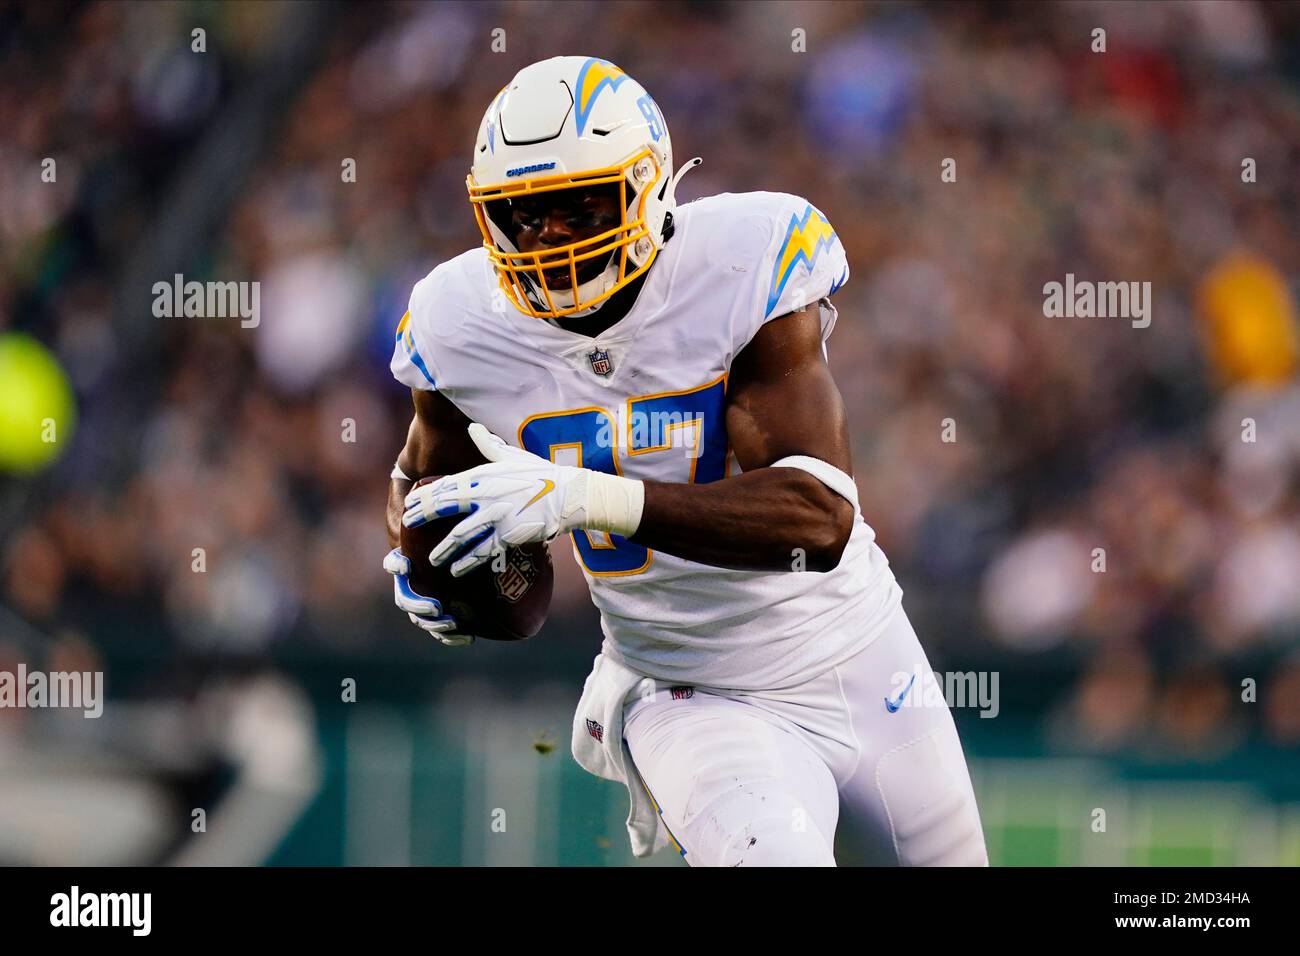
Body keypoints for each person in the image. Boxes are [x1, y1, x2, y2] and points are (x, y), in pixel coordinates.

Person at [383, 55, 987, 867]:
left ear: (646, 189)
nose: (548, 236)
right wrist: (418, 554)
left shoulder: (740, 262)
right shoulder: (460, 322)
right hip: (685, 687)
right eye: (524, 214)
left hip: (857, 649)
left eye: (578, 206)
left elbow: (818, 520)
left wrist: (586, 498)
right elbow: (422, 474)